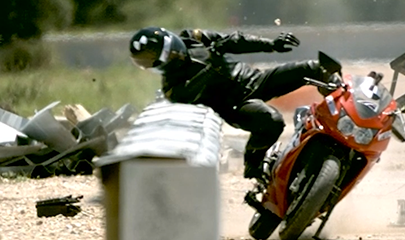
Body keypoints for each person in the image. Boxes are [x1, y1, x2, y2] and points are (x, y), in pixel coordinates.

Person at [129, 26, 341, 180]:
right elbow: (189, 94)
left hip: (255, 79)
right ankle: (254, 163)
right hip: (236, 106)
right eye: (167, 57)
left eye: (172, 49)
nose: (176, 55)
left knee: (316, 68)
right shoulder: (173, 89)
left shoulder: (192, 37)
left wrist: (272, 45)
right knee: (272, 120)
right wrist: (212, 59)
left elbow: (233, 41)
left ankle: (344, 116)